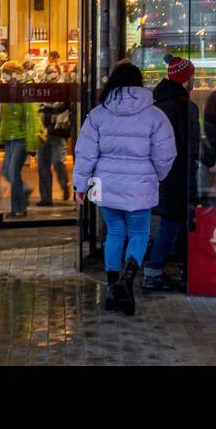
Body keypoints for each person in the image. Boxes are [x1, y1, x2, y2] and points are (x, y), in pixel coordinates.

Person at [73, 60, 176, 315]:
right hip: (140, 184)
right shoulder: (155, 115)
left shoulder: (98, 114)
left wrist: (80, 185)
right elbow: (165, 154)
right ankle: (127, 282)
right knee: (139, 233)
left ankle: (111, 289)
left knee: (115, 233)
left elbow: (85, 153)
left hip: (105, 185)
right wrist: (156, 176)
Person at [143, 55, 214, 291]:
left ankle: (184, 265)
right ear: (187, 79)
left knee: (177, 221)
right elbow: (192, 145)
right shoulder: (186, 107)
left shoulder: (156, 104)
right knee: (173, 222)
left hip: (159, 172)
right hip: (179, 174)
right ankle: (153, 271)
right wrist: (210, 160)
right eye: (192, 76)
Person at [0, 61, 40, 216]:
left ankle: (18, 209)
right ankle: (25, 190)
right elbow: (5, 119)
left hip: (21, 138)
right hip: (10, 138)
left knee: (13, 173)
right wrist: (2, 138)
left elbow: (32, 119)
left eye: (7, 74)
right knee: (7, 172)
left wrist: (31, 145)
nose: (5, 77)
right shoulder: (9, 91)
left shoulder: (24, 91)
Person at [36, 61, 72, 205]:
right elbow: (38, 108)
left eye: (54, 71)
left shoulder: (63, 89)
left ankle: (65, 186)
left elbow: (62, 107)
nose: (51, 74)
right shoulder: (42, 88)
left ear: (59, 72)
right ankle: (46, 198)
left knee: (58, 162)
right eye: (49, 71)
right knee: (42, 166)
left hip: (58, 131)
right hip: (44, 132)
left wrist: (47, 108)